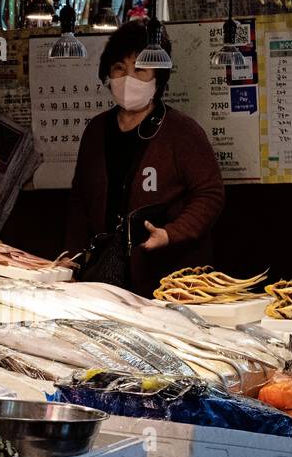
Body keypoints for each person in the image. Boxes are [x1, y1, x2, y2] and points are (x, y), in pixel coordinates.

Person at [64, 21, 224, 297]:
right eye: (119, 68)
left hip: (169, 280)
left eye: (140, 69)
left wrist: (172, 233)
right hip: (106, 276)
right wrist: (73, 259)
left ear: (158, 77)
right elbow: (80, 200)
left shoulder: (181, 131)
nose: (128, 78)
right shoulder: (96, 130)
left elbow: (210, 194)